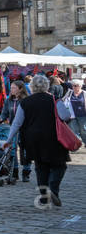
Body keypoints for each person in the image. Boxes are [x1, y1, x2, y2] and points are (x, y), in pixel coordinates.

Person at [10, 74, 71, 207]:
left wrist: (9, 139)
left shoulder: (25, 102)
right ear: (47, 86)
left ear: (31, 87)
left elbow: (17, 123)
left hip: (32, 139)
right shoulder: (55, 99)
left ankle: (44, 198)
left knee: (40, 166)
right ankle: (53, 189)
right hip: (54, 137)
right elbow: (65, 116)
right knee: (59, 165)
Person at [0, 80, 29, 181]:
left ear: (20, 89)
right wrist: (0, 118)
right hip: (12, 128)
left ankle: (26, 172)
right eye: (11, 87)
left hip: (25, 128)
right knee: (12, 150)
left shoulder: (26, 100)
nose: (11, 90)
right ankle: (14, 171)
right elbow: (5, 113)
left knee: (25, 151)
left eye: (14, 88)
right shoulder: (8, 100)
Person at [62, 79, 86, 147]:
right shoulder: (69, 93)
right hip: (72, 115)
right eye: (73, 86)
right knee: (74, 131)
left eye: (76, 86)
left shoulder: (84, 93)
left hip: (83, 115)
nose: (74, 87)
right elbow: (63, 100)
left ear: (80, 86)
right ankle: (77, 144)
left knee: (83, 130)